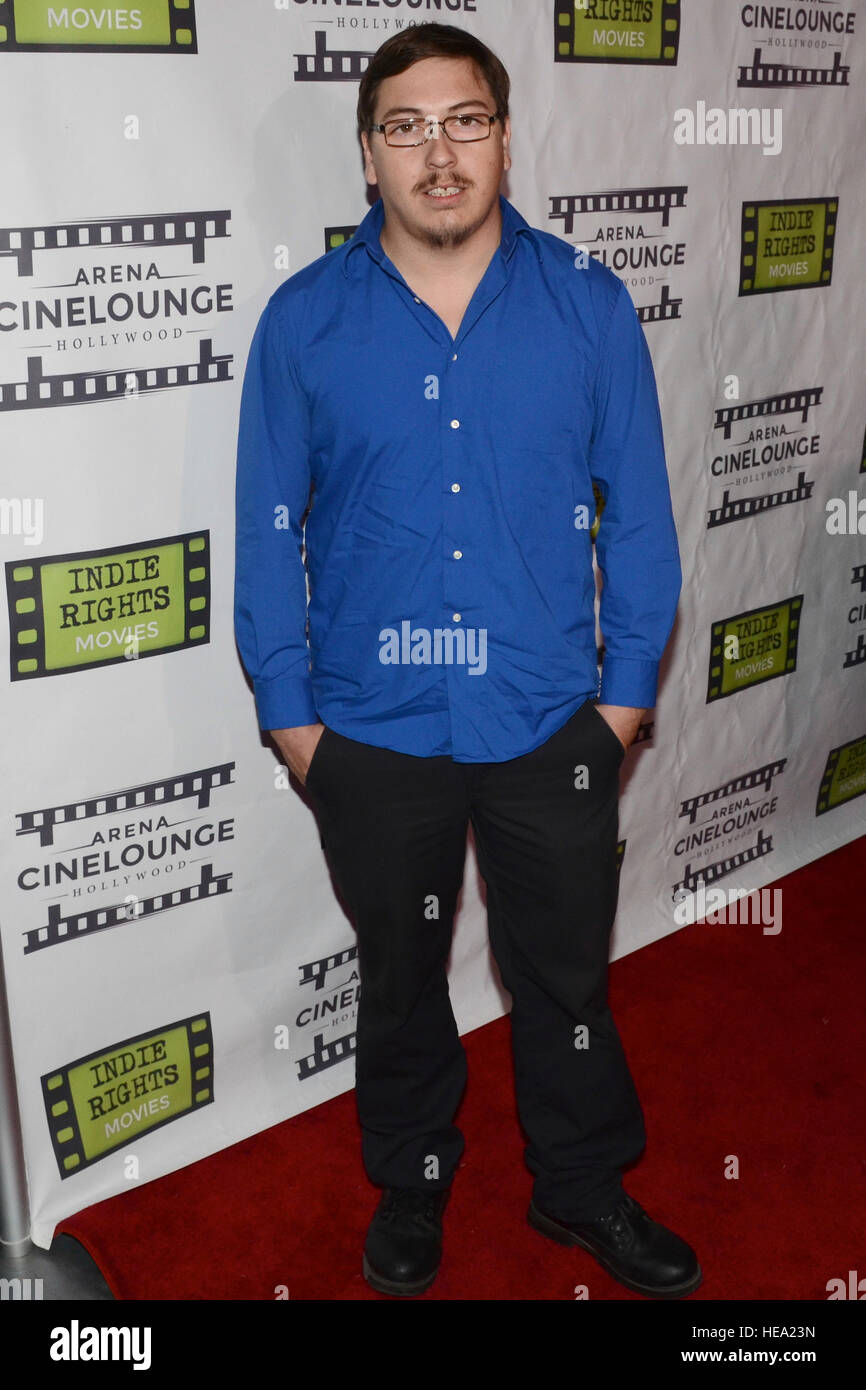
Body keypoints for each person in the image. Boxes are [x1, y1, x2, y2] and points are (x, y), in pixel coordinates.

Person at [234, 21, 700, 1300]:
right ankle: (414, 1182)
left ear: (503, 134)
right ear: (368, 153)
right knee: (400, 980)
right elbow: (268, 533)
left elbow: (642, 526)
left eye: (465, 121)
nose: (438, 153)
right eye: (406, 127)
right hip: (369, 732)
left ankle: (581, 1188)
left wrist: (617, 705)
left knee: (564, 974)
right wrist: (293, 722)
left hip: (550, 719)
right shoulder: (304, 324)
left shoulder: (587, 308)